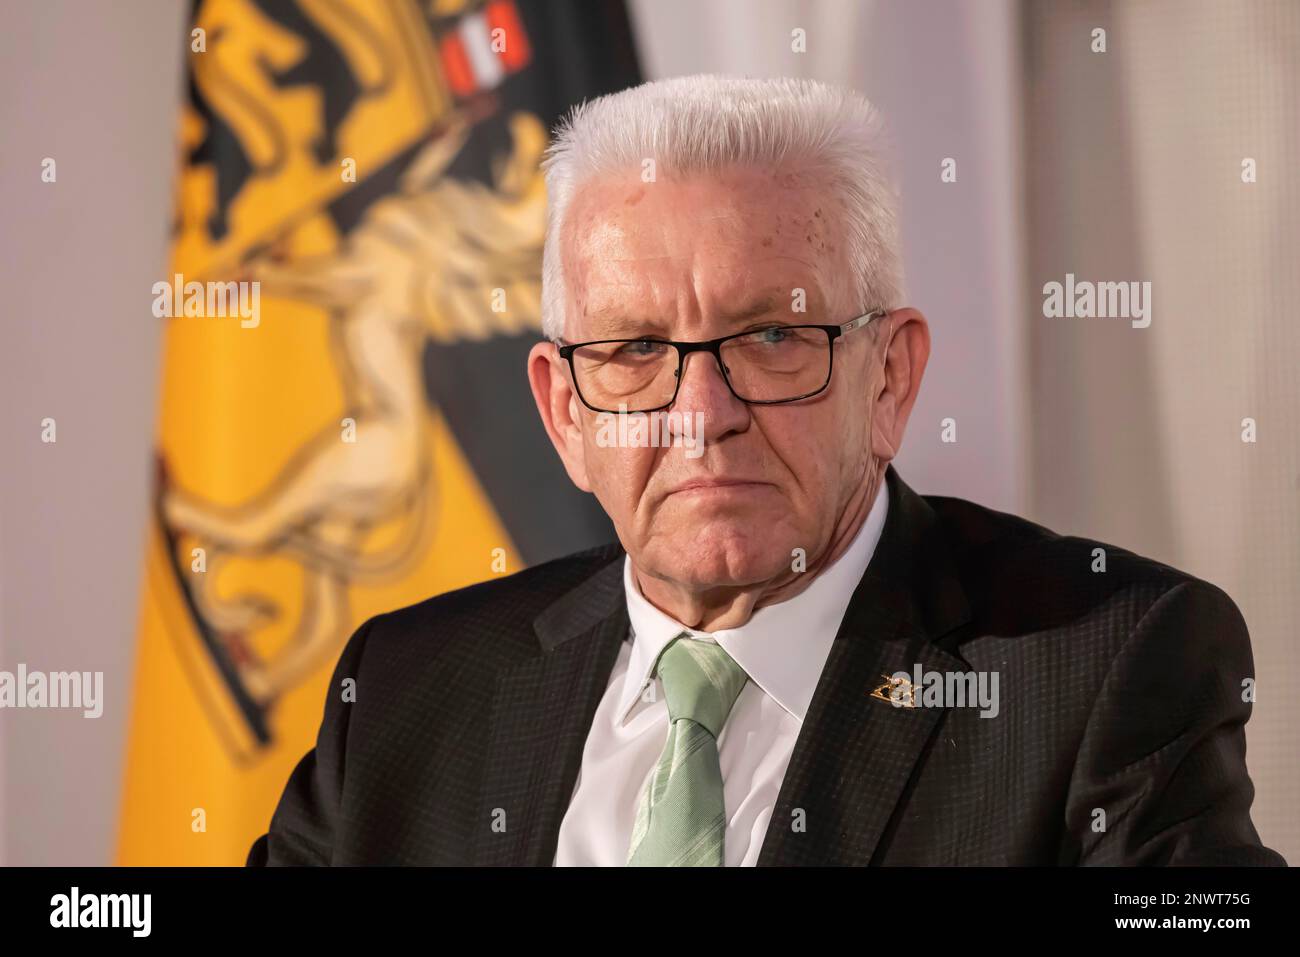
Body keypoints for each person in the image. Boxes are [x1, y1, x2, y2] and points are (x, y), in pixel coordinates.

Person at [249, 75, 1283, 866]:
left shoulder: (1103, 672)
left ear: (888, 377)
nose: (702, 417)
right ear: (564, 411)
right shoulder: (405, 694)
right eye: (633, 351)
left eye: (772, 339)